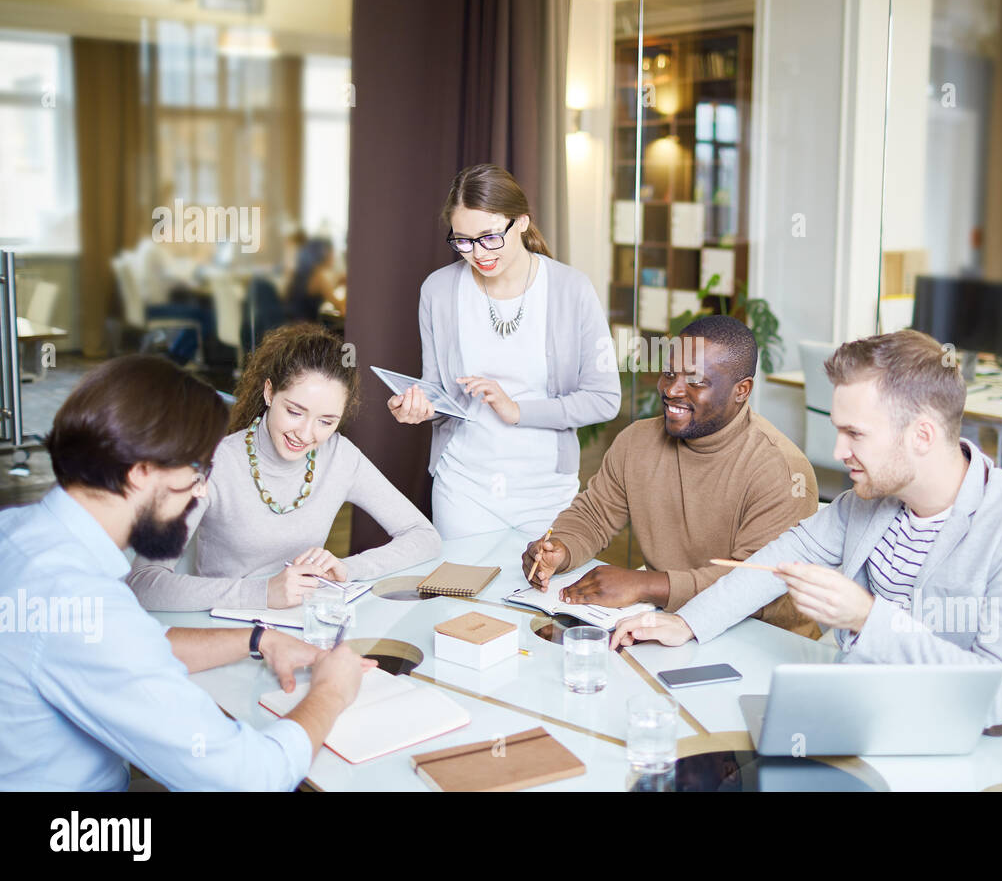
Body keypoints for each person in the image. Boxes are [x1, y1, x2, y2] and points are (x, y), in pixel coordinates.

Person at [611, 330, 1002, 732]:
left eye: (855, 434)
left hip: (978, 745)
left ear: (922, 436)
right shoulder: (866, 502)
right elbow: (779, 561)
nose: (837, 450)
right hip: (870, 717)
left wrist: (868, 619)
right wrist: (687, 622)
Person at [0, 355, 371, 790]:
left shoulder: (19, 530)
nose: (200, 491)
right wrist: (331, 691)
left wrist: (258, 639)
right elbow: (249, 778)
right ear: (141, 474)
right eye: (196, 472)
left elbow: (129, 643)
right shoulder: (82, 604)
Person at [522, 315, 822, 637]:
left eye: (695, 381)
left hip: (762, 640)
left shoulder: (782, 470)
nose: (671, 390)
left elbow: (754, 584)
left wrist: (647, 584)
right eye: (669, 373)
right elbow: (594, 515)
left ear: (741, 391)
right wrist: (561, 548)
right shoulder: (637, 440)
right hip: (666, 624)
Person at [128, 322, 442, 611]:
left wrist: (348, 568)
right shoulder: (214, 463)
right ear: (269, 392)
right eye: (294, 412)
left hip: (302, 624)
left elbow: (424, 536)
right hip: (225, 626)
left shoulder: (340, 457)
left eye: (326, 421)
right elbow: (144, 582)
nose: (306, 435)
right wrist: (262, 594)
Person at [389, 163, 621, 538]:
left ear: (523, 222)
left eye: (490, 236)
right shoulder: (438, 291)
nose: (478, 252)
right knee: (460, 594)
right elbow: (440, 394)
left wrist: (516, 411)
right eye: (463, 240)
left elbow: (604, 399)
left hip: (546, 491)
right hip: (463, 486)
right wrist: (418, 407)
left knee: (540, 594)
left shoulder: (571, 289)